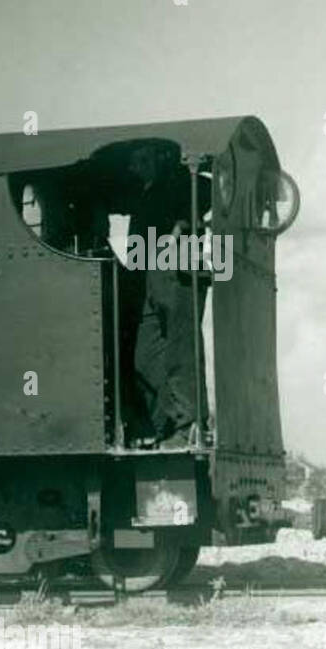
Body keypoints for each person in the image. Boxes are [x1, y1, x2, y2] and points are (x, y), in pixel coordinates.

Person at [123, 144, 206, 448]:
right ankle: (164, 422)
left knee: (180, 352)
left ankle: (188, 427)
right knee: (143, 359)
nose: (138, 166)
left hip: (174, 272)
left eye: (143, 158)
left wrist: (178, 231)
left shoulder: (180, 182)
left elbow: (204, 195)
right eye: (135, 162)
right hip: (146, 277)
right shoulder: (145, 193)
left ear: (159, 160)